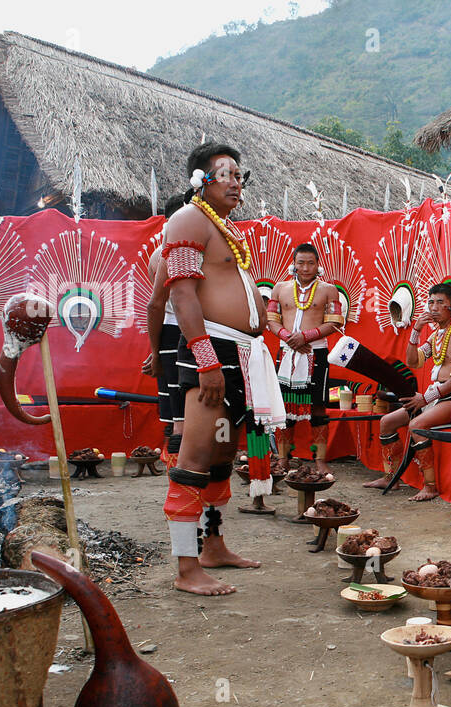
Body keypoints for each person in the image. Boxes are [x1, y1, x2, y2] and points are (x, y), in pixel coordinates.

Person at [160, 143, 285, 595]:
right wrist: (206, 360)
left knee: (219, 461)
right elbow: (181, 294)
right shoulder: (188, 220)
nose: (236, 182)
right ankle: (186, 569)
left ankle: (213, 547)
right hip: (209, 353)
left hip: (241, 356)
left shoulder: (222, 227)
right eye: (225, 173)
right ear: (201, 180)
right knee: (193, 462)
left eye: (239, 174)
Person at [362, 283, 451, 501]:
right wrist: (415, 331)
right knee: (387, 422)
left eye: (440, 302)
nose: (434, 307)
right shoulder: (436, 337)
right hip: (437, 396)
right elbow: (413, 361)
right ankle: (391, 476)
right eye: (431, 302)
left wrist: (424, 398)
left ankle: (430, 486)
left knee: (417, 425)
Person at [266, 243, 344, 467]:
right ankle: (283, 458)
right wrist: (289, 337)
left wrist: (306, 337)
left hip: (316, 352)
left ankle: (320, 460)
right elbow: (271, 319)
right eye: (301, 263)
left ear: (318, 265)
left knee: (318, 405)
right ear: (294, 264)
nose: (306, 268)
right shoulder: (279, 288)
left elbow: (335, 322)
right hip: (287, 351)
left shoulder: (329, 290)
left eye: (311, 263)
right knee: (284, 405)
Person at [142, 193, 187, 468]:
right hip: (176, 330)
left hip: (184, 331)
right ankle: (177, 461)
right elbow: (156, 304)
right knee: (176, 396)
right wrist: (156, 352)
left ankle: (180, 460)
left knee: (181, 397)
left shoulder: (186, 249)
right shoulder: (163, 254)